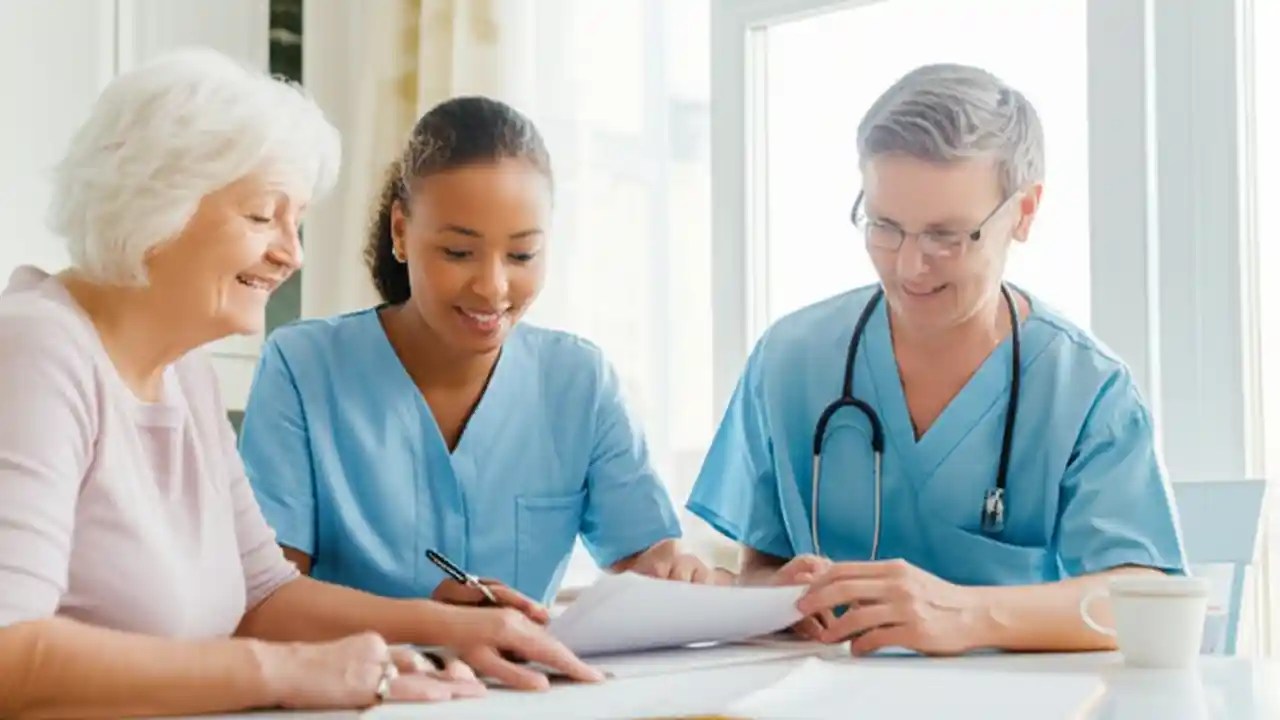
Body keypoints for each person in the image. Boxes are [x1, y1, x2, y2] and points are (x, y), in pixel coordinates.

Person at [0, 48, 600, 720]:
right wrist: (288, 671)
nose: (293, 252)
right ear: (154, 202)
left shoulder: (182, 374)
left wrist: (454, 630)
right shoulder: (37, 349)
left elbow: (263, 595)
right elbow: (7, 654)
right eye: (262, 216)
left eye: (296, 220)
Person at [687, 63, 1186, 655]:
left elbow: (1138, 596)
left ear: (1024, 212)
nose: (909, 266)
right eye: (885, 227)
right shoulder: (789, 362)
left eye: (947, 236)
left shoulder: (1086, 390)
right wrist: (781, 600)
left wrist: (969, 615)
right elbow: (761, 565)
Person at [237, 96, 712, 615]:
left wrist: (679, 570)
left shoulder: (579, 381)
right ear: (401, 232)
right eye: (459, 253)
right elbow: (267, 597)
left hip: (531, 690)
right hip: (358, 688)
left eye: (522, 254)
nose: (493, 286)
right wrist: (430, 626)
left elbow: (648, 558)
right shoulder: (302, 367)